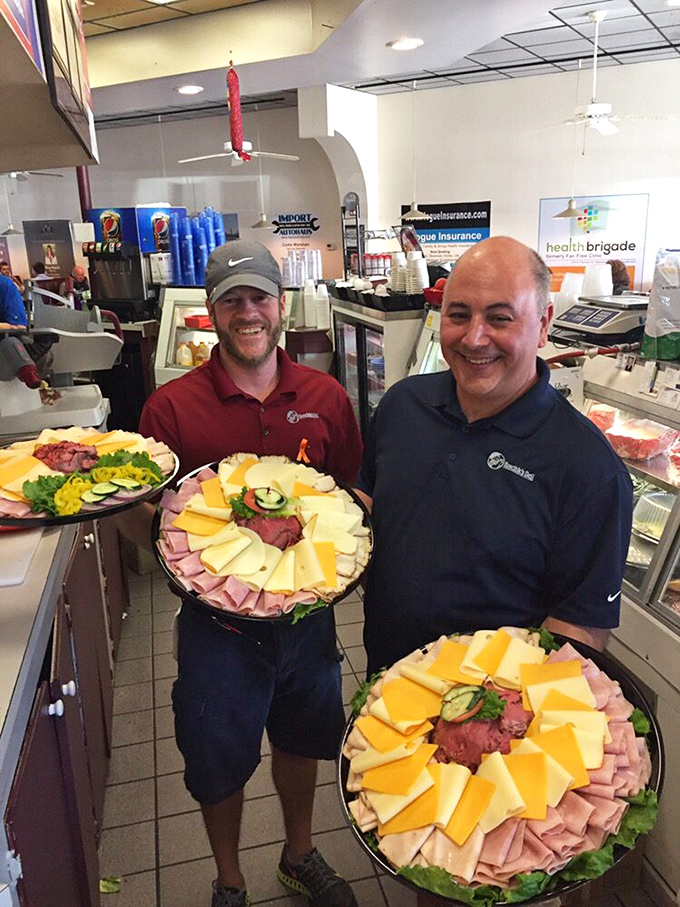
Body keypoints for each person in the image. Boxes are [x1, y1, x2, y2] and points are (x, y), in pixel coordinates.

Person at [137, 241, 363, 907]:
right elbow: (153, 525)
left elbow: (349, 497)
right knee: (217, 759)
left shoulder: (324, 397)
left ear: (281, 304)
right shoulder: (171, 409)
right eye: (232, 300)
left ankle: (299, 854)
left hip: (306, 619)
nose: (248, 312)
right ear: (210, 311)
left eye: (259, 296)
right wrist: (125, 512)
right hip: (216, 627)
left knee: (303, 739)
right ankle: (229, 879)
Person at [357, 236, 633, 682]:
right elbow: (368, 498)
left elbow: (579, 627)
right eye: (458, 315)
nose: (474, 338)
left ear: (543, 324)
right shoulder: (402, 405)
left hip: (486, 714)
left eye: (500, 318)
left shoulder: (589, 469)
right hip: (383, 683)